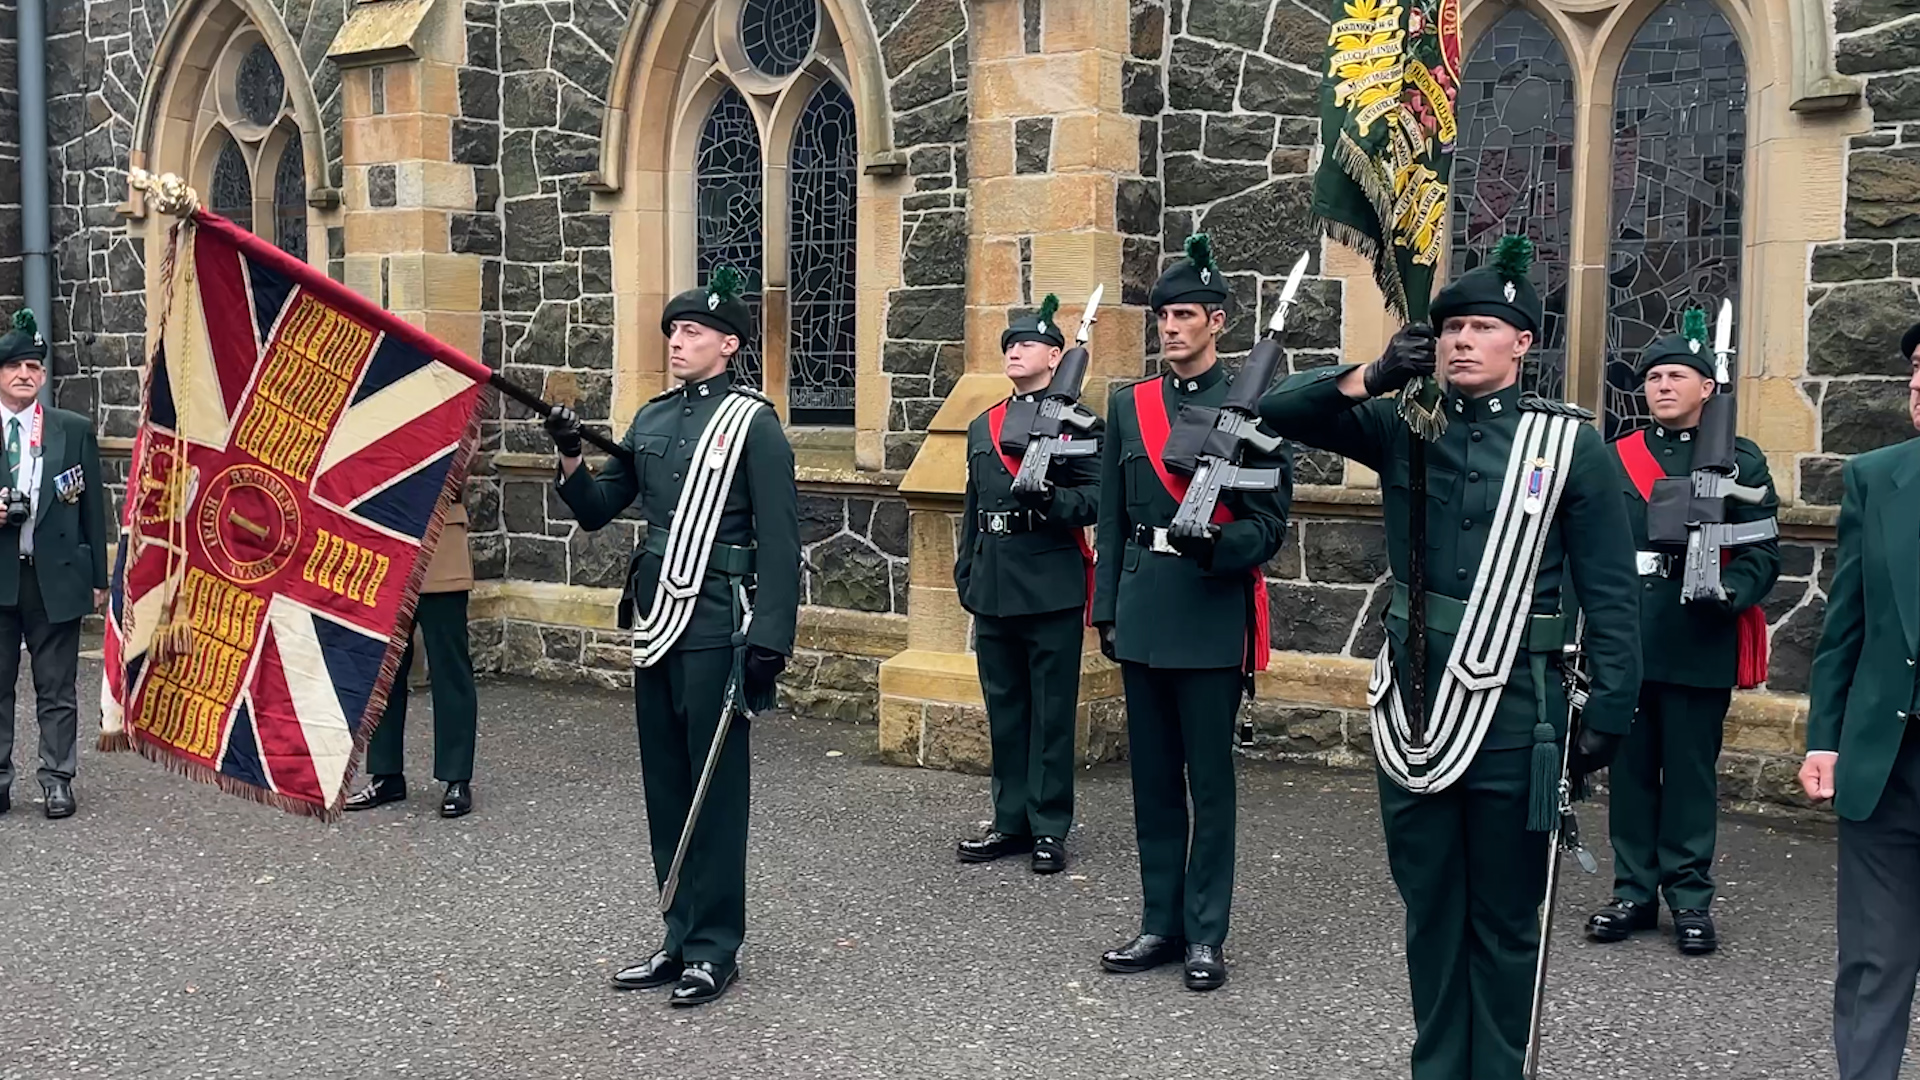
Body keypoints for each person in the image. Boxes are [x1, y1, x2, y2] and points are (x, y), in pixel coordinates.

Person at [1257, 237, 1640, 1079]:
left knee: (1506, 921)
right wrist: (1371, 373)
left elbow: (1612, 594)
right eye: (1451, 328)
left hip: (1516, 713)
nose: (1462, 340)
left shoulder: (1569, 447)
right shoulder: (1403, 424)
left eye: (1481, 327)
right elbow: (1274, 407)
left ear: (1522, 344)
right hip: (1418, 711)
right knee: (1430, 909)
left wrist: (1608, 712)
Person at [543, 267, 799, 1007]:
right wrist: (569, 455)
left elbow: (781, 543)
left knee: (713, 789)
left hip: (721, 619)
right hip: (658, 616)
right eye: (673, 332)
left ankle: (716, 948)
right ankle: (677, 935)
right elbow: (597, 507)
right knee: (666, 783)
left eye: (692, 333)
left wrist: (770, 642)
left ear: (728, 345)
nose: (678, 343)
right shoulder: (651, 421)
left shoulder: (752, 424)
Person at [1092, 234, 1290, 992]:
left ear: (1217, 322)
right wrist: (1107, 609)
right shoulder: (1128, 405)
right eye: (1162, 316)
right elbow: (1110, 521)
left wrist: (1218, 541)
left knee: (1209, 785)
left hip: (1209, 614)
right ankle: (1159, 923)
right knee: (1151, 782)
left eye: (1183, 315)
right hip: (1143, 611)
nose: (1168, 328)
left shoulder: (1255, 409)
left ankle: (1206, 932)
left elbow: (1270, 525)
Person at [1586, 318, 1779, 955]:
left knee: (1691, 776)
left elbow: (1762, 551)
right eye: (1654, 378)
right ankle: (1632, 891)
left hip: (1700, 632)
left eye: (1676, 376)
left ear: (1707, 386)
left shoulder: (1739, 458)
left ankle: (1690, 898)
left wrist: (1731, 597)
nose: (1663, 386)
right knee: (1632, 772)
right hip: (1633, 633)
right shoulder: (1616, 457)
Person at [1800, 324, 1920, 1080]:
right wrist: (1823, 739)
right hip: (1889, 764)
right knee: (1876, 961)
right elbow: (1843, 626)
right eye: (1916, 371)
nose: (1919, 386)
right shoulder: (1876, 477)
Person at [954, 295, 1101, 875]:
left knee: (1052, 711)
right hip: (993, 581)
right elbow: (971, 505)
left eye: (1028, 343)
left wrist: (1055, 500)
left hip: (1050, 580)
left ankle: (1049, 826)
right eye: (1009, 344)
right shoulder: (982, 425)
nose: (1015, 350)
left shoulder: (1081, 424)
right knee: (1006, 708)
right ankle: (1009, 819)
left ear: (1056, 355)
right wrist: (967, 569)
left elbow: (1098, 499)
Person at [0, 309, 107, 819]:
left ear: (43, 376)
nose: (25, 374)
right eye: (14, 366)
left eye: (33, 367)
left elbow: (93, 510)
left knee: (57, 687)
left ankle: (57, 778)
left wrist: (100, 580)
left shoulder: (71, 428)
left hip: (56, 577)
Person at [344, 498, 481, 817]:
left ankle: (456, 777)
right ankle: (385, 773)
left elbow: (462, 462)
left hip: (440, 538)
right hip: (386, 540)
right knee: (384, 668)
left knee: (450, 668)